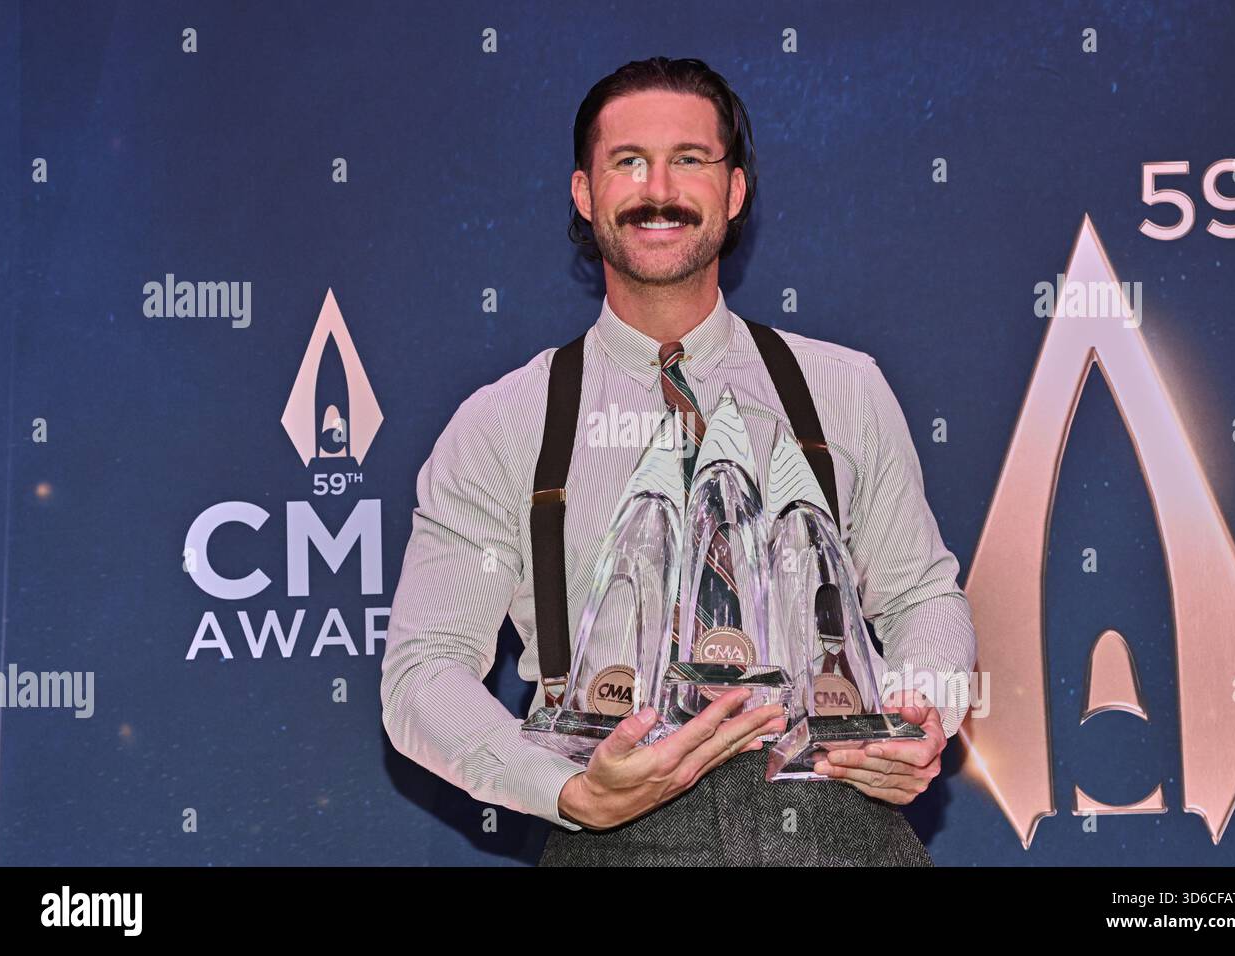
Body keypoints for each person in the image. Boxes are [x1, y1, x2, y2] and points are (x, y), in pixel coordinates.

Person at [381, 56, 976, 866]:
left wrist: (921, 711)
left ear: (733, 193)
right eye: (627, 162)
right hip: (613, 837)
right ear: (585, 194)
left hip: (839, 827)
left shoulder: (844, 388)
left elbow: (921, 594)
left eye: (689, 160)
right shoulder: (502, 424)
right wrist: (565, 792)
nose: (657, 189)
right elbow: (425, 669)